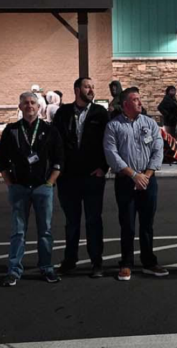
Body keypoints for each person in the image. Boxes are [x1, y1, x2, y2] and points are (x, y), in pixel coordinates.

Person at [0, 91, 64, 287]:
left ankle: (46, 267)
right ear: (20, 107)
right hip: (19, 188)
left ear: (39, 107)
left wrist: (50, 182)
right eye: (25, 103)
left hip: (42, 188)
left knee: (45, 231)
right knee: (18, 232)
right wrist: (11, 184)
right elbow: (2, 161)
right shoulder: (11, 130)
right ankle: (14, 270)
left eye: (32, 103)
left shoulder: (49, 130)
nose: (29, 106)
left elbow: (59, 159)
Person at [103, 88, 168, 281]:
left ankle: (149, 262)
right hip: (125, 181)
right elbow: (111, 154)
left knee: (147, 224)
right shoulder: (114, 126)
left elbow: (158, 149)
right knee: (127, 224)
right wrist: (133, 175)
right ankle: (126, 263)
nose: (140, 102)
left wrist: (146, 175)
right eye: (135, 100)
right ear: (125, 104)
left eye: (140, 99)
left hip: (148, 180)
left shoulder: (149, 123)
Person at [52, 77, 110, 278]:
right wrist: (57, 171)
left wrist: (104, 167)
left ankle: (96, 262)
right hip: (68, 178)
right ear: (77, 90)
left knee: (94, 220)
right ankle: (70, 261)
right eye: (87, 87)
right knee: (72, 222)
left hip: (93, 177)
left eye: (92, 87)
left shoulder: (100, 113)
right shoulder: (63, 113)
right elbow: (55, 142)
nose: (91, 90)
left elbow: (109, 142)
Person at [157, 86, 177, 161]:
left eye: (174, 90)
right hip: (169, 122)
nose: (173, 92)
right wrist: (168, 115)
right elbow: (160, 107)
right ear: (168, 91)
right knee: (170, 140)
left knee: (173, 139)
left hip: (174, 122)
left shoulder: (174, 99)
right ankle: (169, 156)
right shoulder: (166, 99)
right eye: (171, 90)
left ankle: (173, 155)